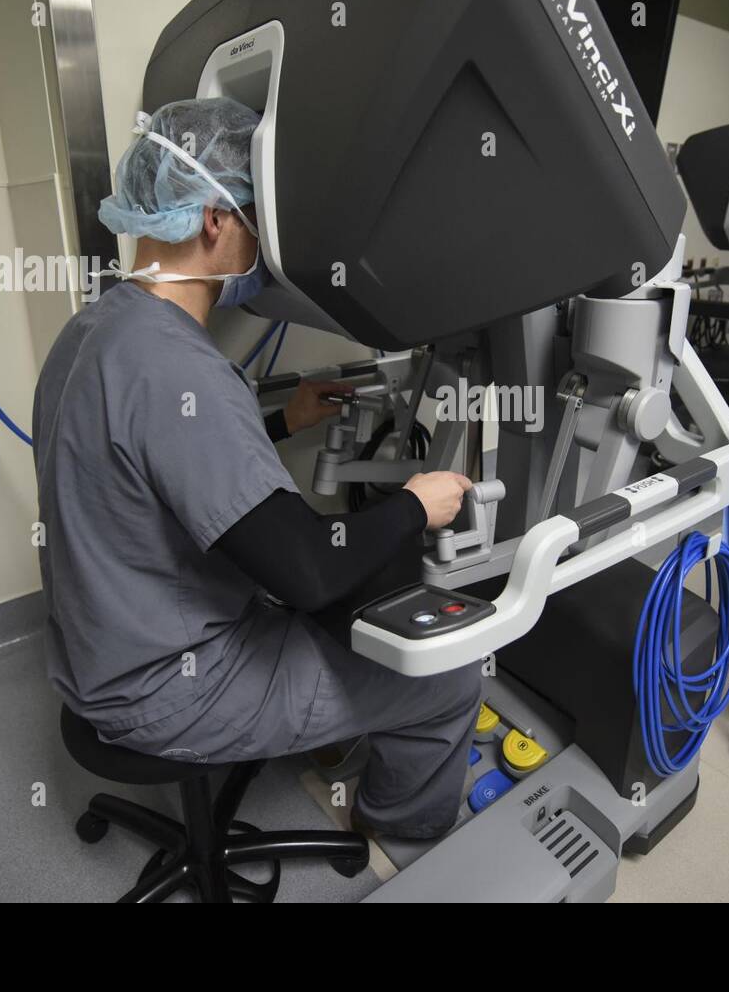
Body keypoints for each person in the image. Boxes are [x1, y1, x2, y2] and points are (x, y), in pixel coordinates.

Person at [32, 97, 480, 840]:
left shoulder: (92, 328)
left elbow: (144, 464)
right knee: (450, 678)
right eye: (253, 218)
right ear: (214, 220)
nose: (262, 243)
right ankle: (399, 833)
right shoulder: (185, 369)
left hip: (98, 652)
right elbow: (303, 571)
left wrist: (283, 420)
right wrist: (413, 503)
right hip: (167, 688)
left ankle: (336, 719)